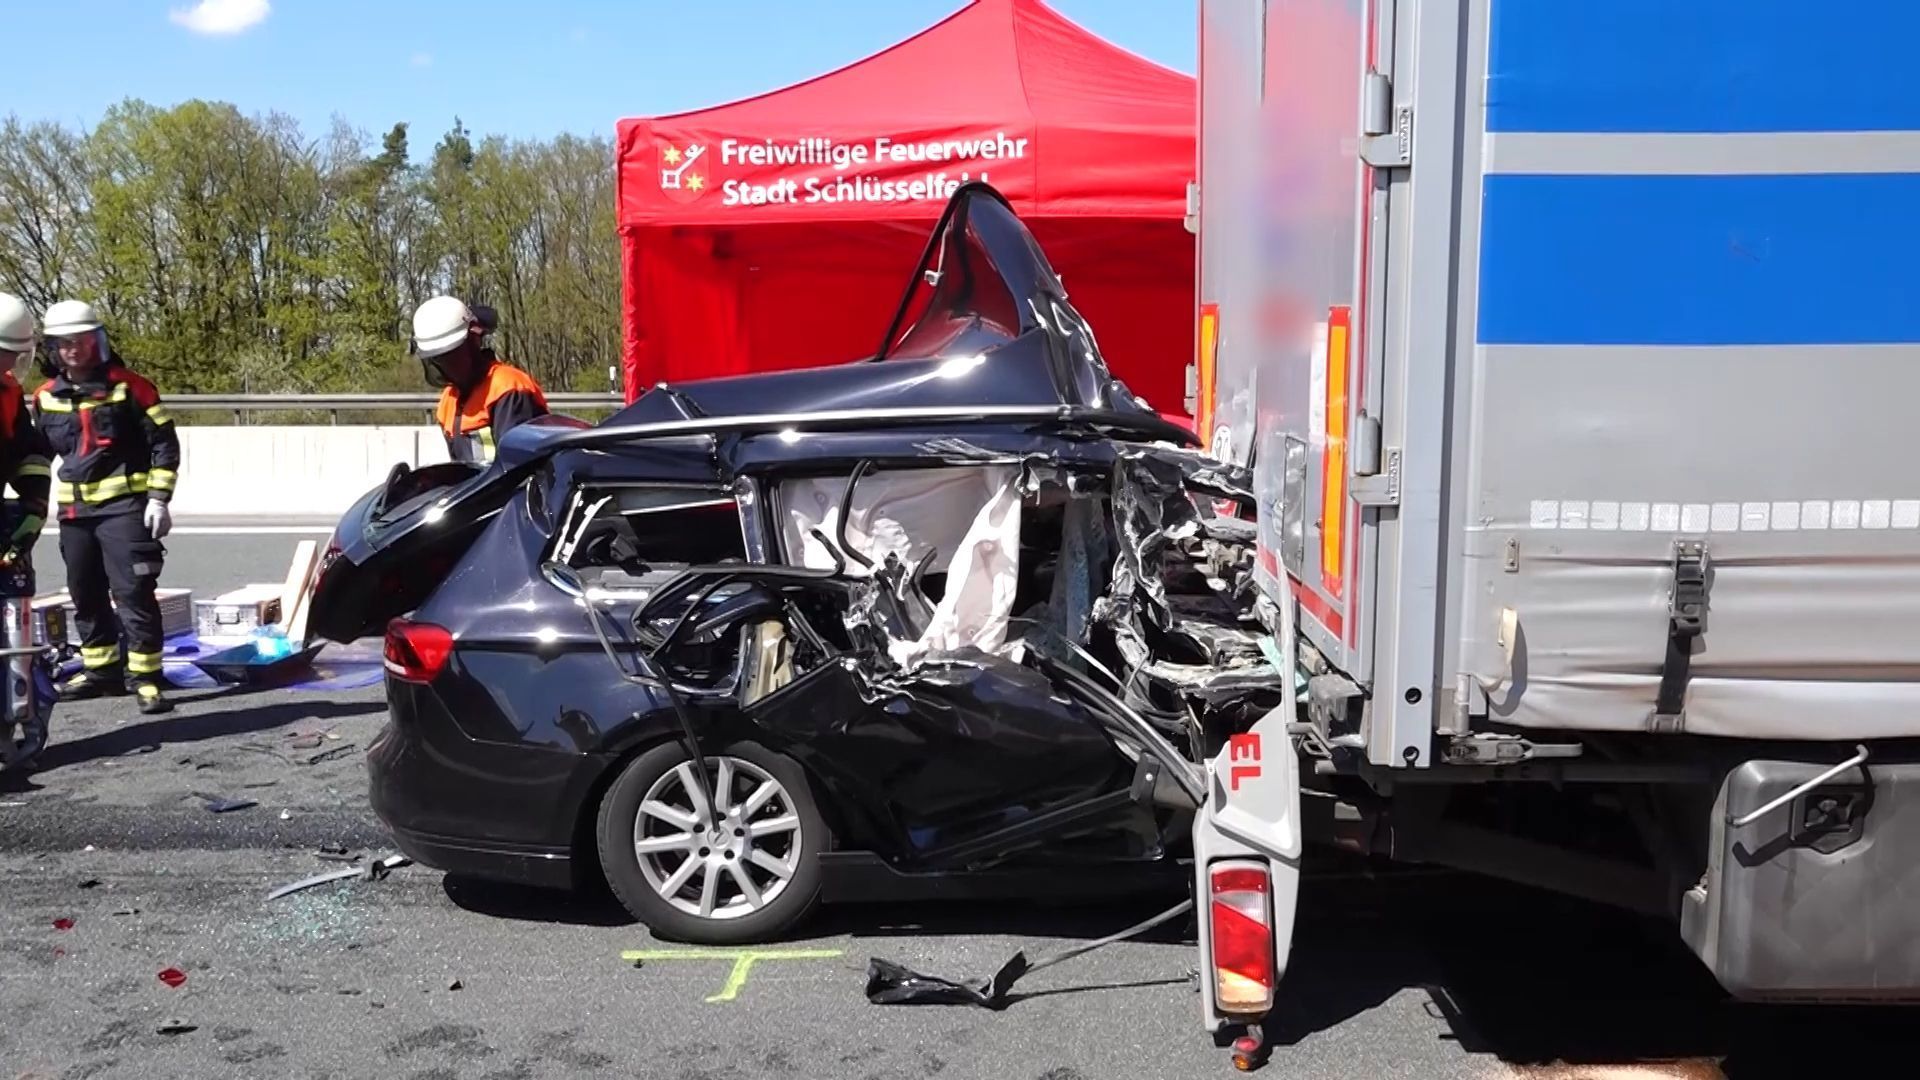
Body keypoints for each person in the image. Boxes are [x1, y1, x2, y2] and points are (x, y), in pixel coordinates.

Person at [34, 300, 180, 715]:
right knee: (85, 593)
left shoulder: (131, 387)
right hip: (75, 516)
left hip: (125, 511)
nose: (73, 350)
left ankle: (146, 678)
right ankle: (102, 672)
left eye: (80, 341)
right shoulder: (46, 397)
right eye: (63, 344)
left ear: (96, 341)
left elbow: (164, 446)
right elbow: (38, 454)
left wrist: (158, 500)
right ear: (52, 349)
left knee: (134, 594)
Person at [412, 296, 548, 464]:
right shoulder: (448, 403)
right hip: (477, 488)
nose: (449, 365)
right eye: (441, 359)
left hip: (513, 489)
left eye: (454, 355)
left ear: (473, 341)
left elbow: (518, 469)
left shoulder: (508, 389)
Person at [0, 295, 53, 568]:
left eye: (15, 356)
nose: (9, 365)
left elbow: (27, 448)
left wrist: (36, 501)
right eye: (3, 355)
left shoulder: (8, 390)